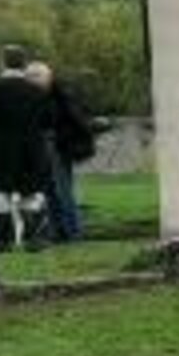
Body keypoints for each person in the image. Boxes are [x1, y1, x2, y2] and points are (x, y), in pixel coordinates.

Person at [0, 45, 53, 248]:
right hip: (31, 152)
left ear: (2, 63)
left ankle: (2, 241)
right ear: (24, 64)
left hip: (1, 151)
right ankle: (34, 240)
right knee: (31, 195)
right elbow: (48, 121)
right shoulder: (37, 91)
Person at [26, 61, 102, 243]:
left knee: (62, 190)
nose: (31, 83)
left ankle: (72, 231)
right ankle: (58, 231)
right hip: (47, 145)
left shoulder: (59, 96)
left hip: (57, 146)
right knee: (51, 191)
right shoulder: (46, 95)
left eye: (34, 78)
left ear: (46, 78)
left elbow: (74, 119)